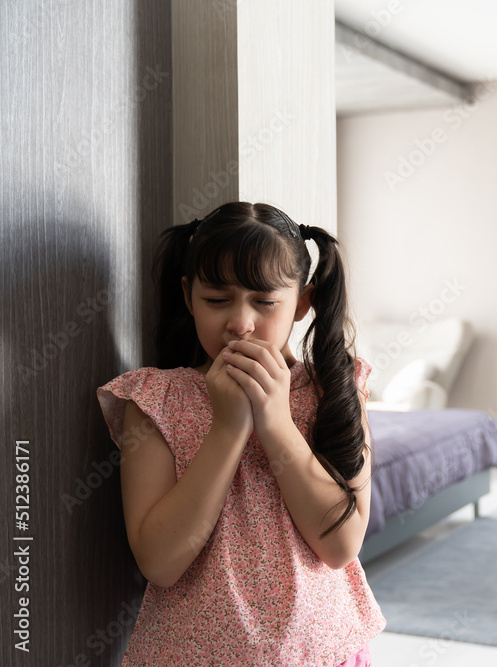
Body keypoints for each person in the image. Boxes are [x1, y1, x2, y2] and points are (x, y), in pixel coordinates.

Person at [96, 202, 385, 665]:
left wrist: (274, 422)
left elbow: (340, 545)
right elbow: (160, 563)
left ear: (301, 304)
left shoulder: (336, 389)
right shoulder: (155, 401)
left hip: (321, 651)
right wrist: (228, 429)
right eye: (217, 300)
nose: (240, 322)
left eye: (265, 302)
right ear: (189, 296)